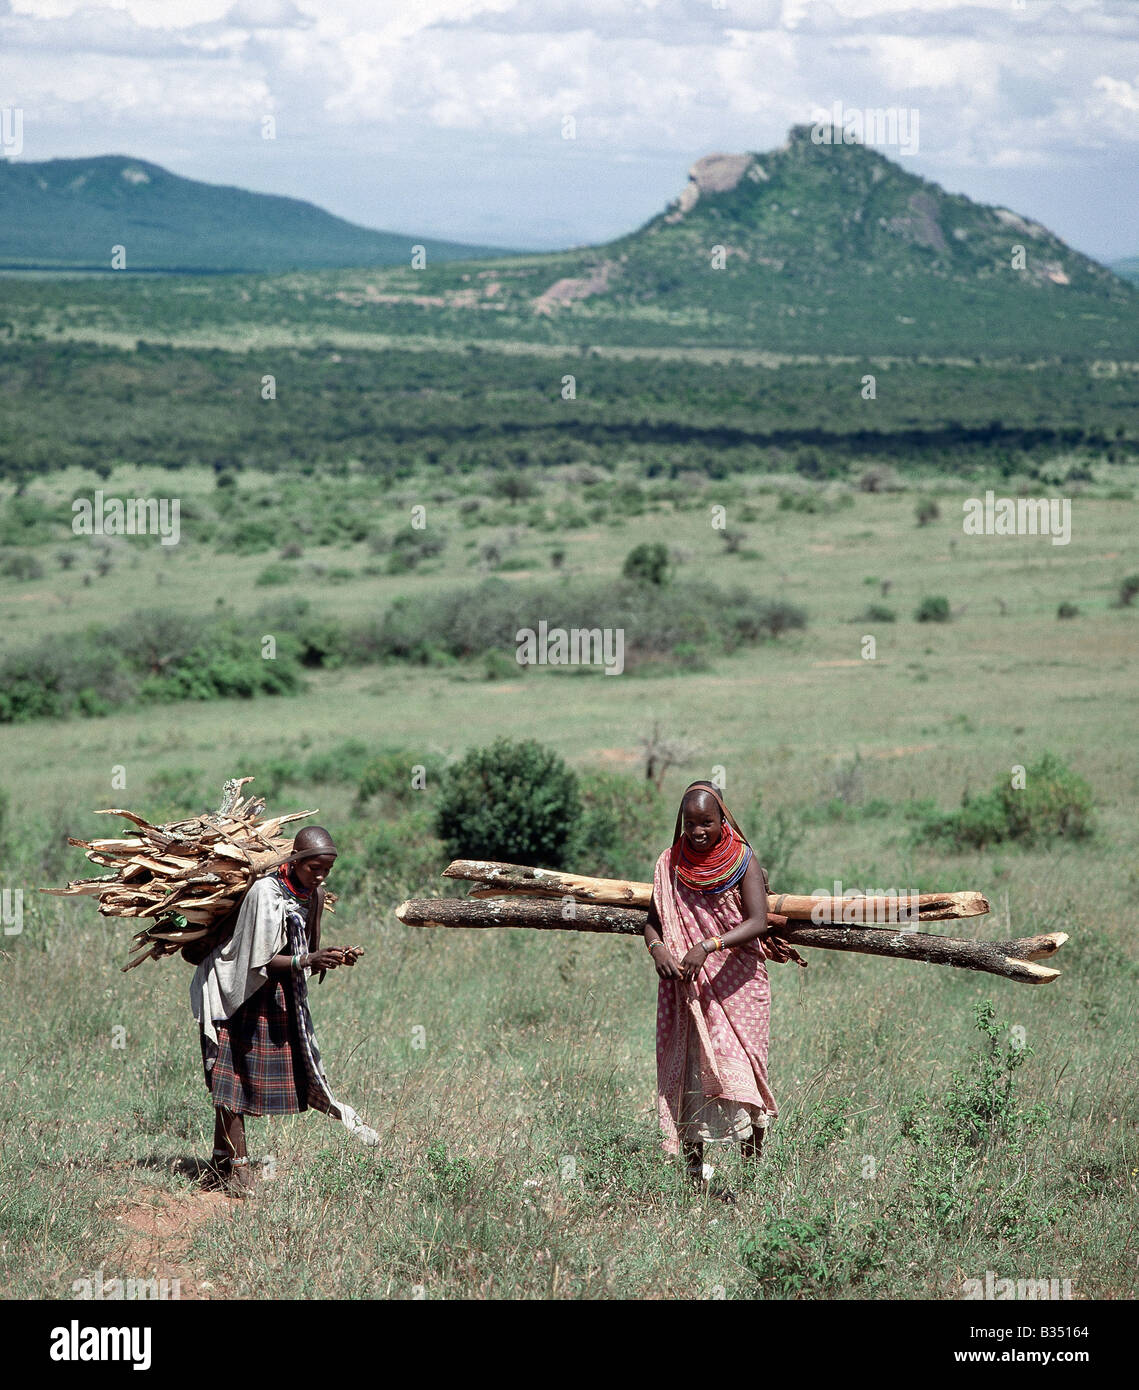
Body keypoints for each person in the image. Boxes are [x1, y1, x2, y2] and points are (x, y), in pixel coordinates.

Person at [190, 824, 376, 1197]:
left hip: (276, 996)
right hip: (236, 991)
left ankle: (218, 1164)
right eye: (314, 869)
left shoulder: (315, 895)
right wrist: (307, 959)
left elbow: (305, 950)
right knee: (231, 1080)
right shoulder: (265, 892)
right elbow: (257, 962)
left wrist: (333, 958)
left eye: (327, 870)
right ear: (295, 860)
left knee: (241, 1080)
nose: (320, 876)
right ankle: (239, 1174)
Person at [644, 781, 805, 1200]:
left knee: (745, 1079)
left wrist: (707, 945)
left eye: (707, 823)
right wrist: (657, 947)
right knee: (694, 1074)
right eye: (691, 823)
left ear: (722, 821)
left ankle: (751, 1181)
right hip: (689, 987)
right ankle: (695, 1180)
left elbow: (757, 920)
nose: (698, 831)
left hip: (738, 982)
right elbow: (653, 918)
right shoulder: (669, 863)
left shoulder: (741, 859)